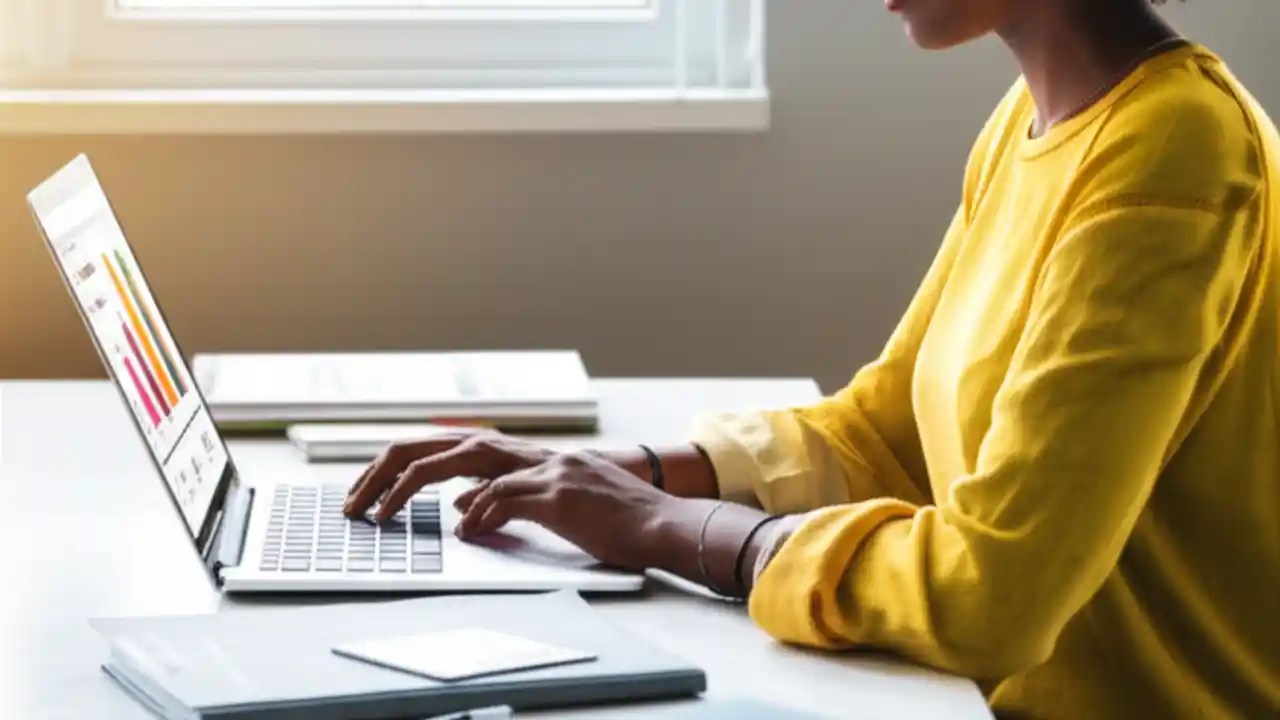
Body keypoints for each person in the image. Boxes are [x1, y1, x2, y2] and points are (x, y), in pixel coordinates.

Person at [346, 0, 1280, 715]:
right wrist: (624, 475)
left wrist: (681, 532)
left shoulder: (1175, 154)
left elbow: (996, 594)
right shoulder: (1036, 123)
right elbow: (892, 429)